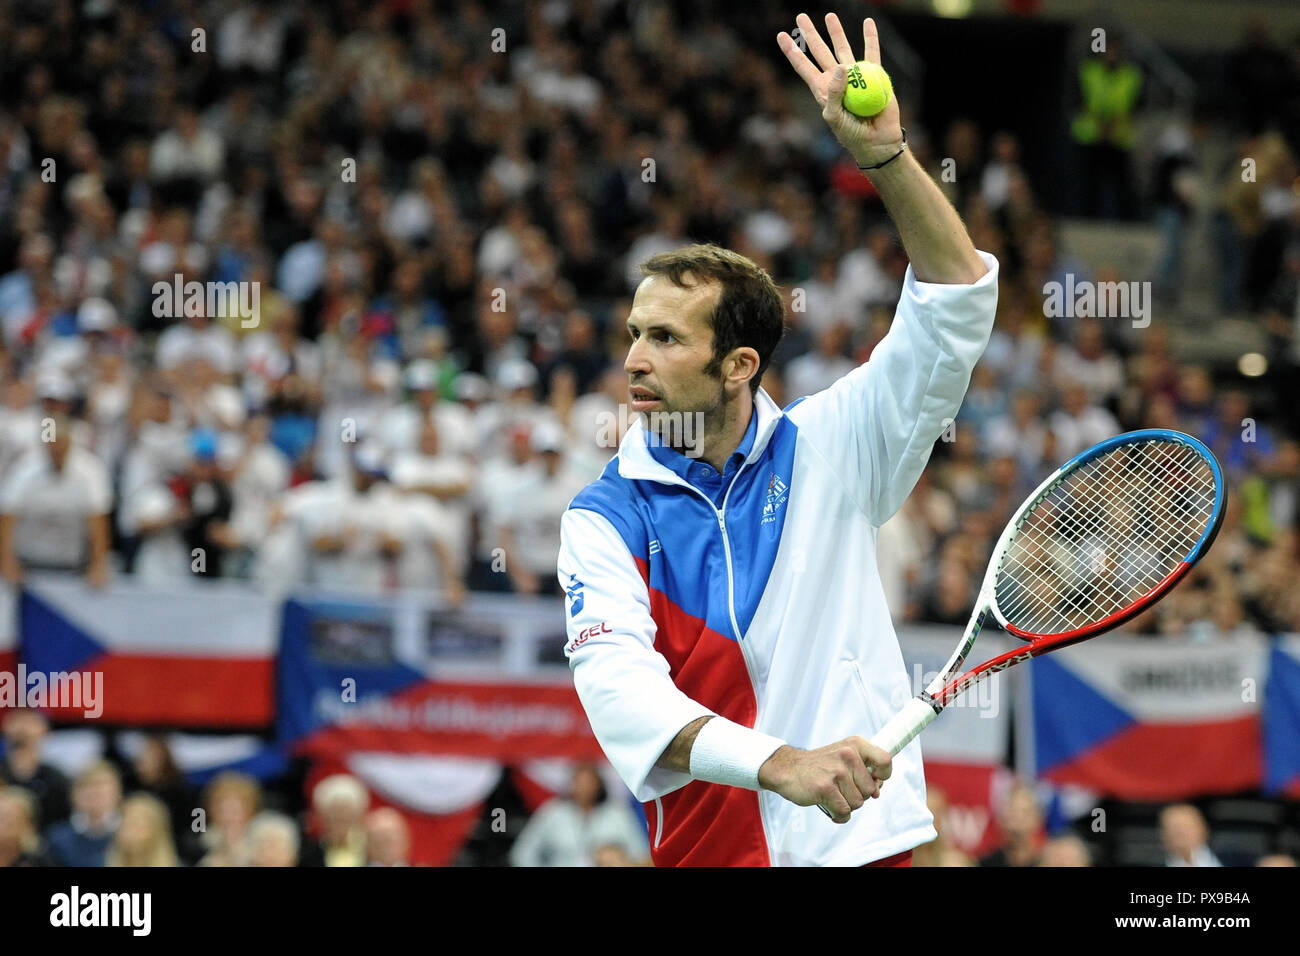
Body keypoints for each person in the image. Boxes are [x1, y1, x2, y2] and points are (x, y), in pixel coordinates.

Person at [555, 13, 996, 867]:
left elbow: (956, 301)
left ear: (738, 365)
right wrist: (781, 764)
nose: (634, 359)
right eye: (635, 331)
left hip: (863, 848)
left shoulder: (835, 446)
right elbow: (620, 694)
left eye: (667, 339)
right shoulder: (604, 517)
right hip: (710, 853)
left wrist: (885, 159)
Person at [509, 763, 650, 867]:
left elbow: (640, 853)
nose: (585, 788)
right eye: (580, 782)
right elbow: (522, 853)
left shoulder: (617, 813)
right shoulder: (553, 812)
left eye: (589, 783)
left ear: (599, 785)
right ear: (572, 784)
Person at [0, 709, 70, 831]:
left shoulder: (56, 779)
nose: (22, 728)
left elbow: (64, 822)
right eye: (17, 720)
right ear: (5, 727)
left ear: (44, 730)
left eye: (29, 721)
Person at [45, 760, 123, 867]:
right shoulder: (57, 838)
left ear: (117, 793)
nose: (94, 792)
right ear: (73, 795)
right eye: (86, 786)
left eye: (100, 786)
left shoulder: (134, 833)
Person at [978, 782, 1044, 867]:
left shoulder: (1047, 862)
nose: (1018, 820)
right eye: (1012, 813)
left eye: (1025, 813)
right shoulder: (986, 863)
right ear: (1000, 819)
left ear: (1038, 819)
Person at [105, 793, 180, 867]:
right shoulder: (103, 862)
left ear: (157, 830)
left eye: (136, 824)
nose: (128, 832)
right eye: (124, 824)